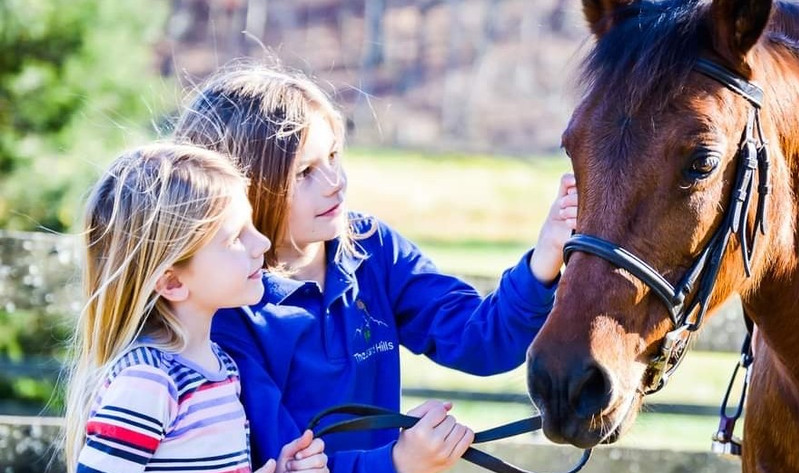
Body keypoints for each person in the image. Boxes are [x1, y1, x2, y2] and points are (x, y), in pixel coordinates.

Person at [172, 64, 578, 473]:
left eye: (333, 156)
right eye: (305, 172)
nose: (335, 181)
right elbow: (282, 459)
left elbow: (480, 338)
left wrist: (546, 255)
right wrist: (397, 461)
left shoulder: (371, 248)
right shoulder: (226, 311)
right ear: (244, 188)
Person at [63, 143, 330, 473]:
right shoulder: (150, 381)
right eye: (235, 237)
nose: (261, 243)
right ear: (172, 282)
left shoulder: (220, 367)